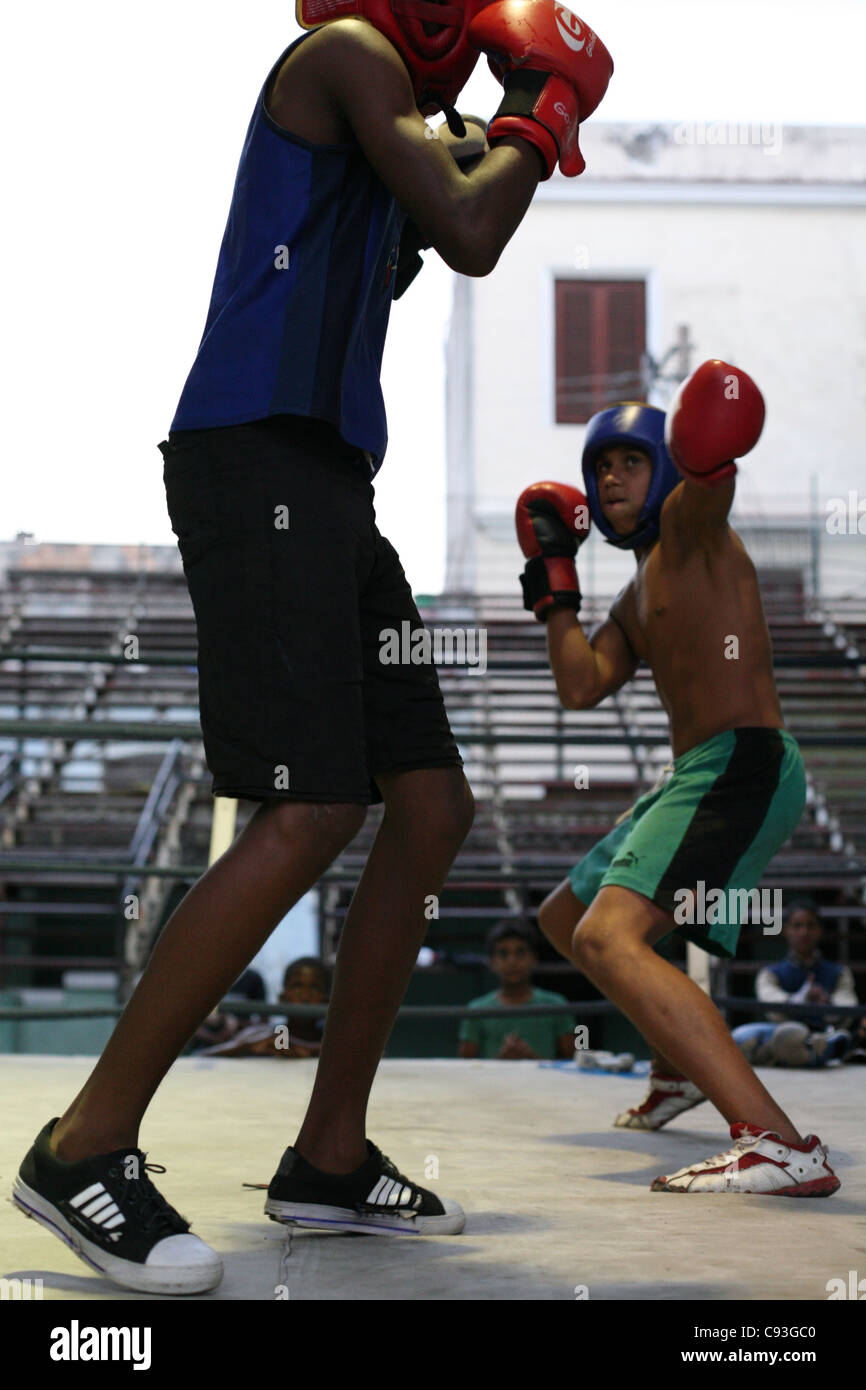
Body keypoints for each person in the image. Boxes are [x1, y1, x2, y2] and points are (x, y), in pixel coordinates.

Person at [13, 0, 614, 1292]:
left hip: (333, 484)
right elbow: (470, 228)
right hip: (256, 459)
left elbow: (467, 207)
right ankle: (84, 1144)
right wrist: (542, 109)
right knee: (307, 805)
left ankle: (327, 1155)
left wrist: (510, 127)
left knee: (432, 803)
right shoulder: (342, 59)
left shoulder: (401, 107)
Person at [522, 360, 841, 1195]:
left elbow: (710, 480)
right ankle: (679, 1068)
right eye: (600, 466)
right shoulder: (635, 594)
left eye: (629, 460)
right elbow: (581, 685)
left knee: (606, 939)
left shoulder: (696, 529)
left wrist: (706, 441)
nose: (609, 477)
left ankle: (779, 1144)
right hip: (692, 774)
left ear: (665, 468)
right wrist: (555, 583)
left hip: (744, 761)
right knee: (567, 919)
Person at [731, 899, 860, 1069]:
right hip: (782, 1033)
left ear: (820, 930)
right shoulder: (770, 974)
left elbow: (847, 1009)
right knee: (741, 1035)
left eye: (810, 926)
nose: (804, 932)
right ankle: (808, 1051)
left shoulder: (839, 973)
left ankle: (813, 1049)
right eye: (797, 926)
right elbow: (773, 1008)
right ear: (786, 930)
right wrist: (801, 999)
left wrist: (825, 1001)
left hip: (826, 1031)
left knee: (837, 1038)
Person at [458, 921, 574, 1059]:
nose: (512, 961)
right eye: (503, 953)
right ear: (492, 962)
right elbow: (465, 1067)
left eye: (520, 952)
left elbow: (573, 1062)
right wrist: (501, 1062)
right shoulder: (476, 1010)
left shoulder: (557, 1005)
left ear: (534, 958)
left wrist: (532, 1059)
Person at [196, 957, 330, 1058]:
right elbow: (200, 1056)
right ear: (282, 998)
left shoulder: (334, 1042)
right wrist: (244, 1047)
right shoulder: (260, 1034)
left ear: (326, 1000)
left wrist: (310, 1049)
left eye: (315, 987)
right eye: (297, 986)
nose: (305, 996)